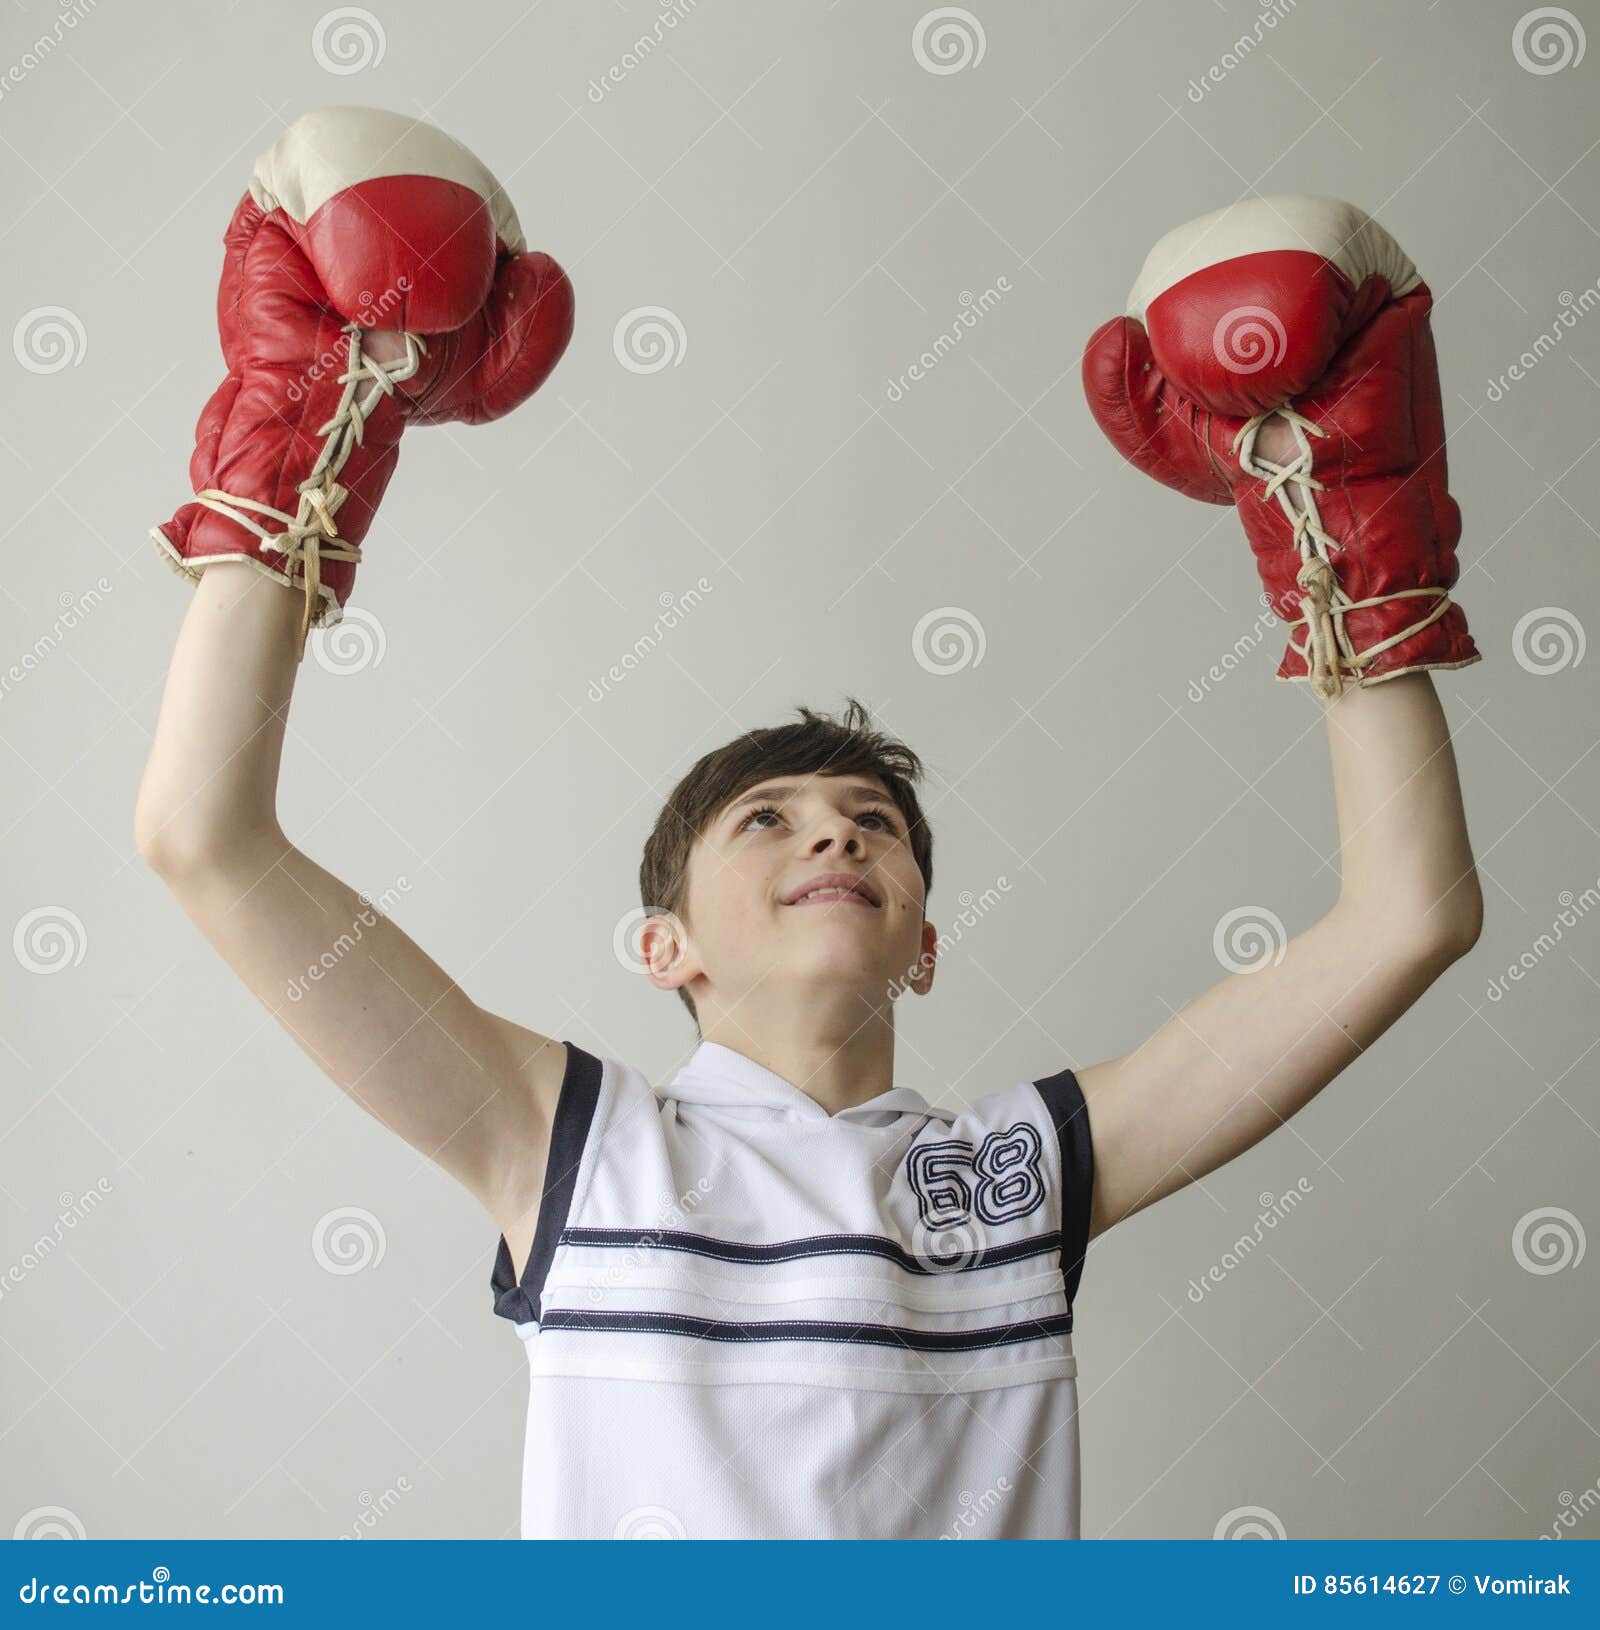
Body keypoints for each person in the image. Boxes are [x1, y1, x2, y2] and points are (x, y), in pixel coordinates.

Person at [137, 112, 1484, 1539]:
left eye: (876, 825)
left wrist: (1348, 547)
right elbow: (203, 834)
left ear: (925, 943)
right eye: (768, 820)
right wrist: (303, 433)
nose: (835, 839)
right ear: (665, 944)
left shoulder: (1015, 1177)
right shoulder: (572, 1145)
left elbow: (1413, 914)